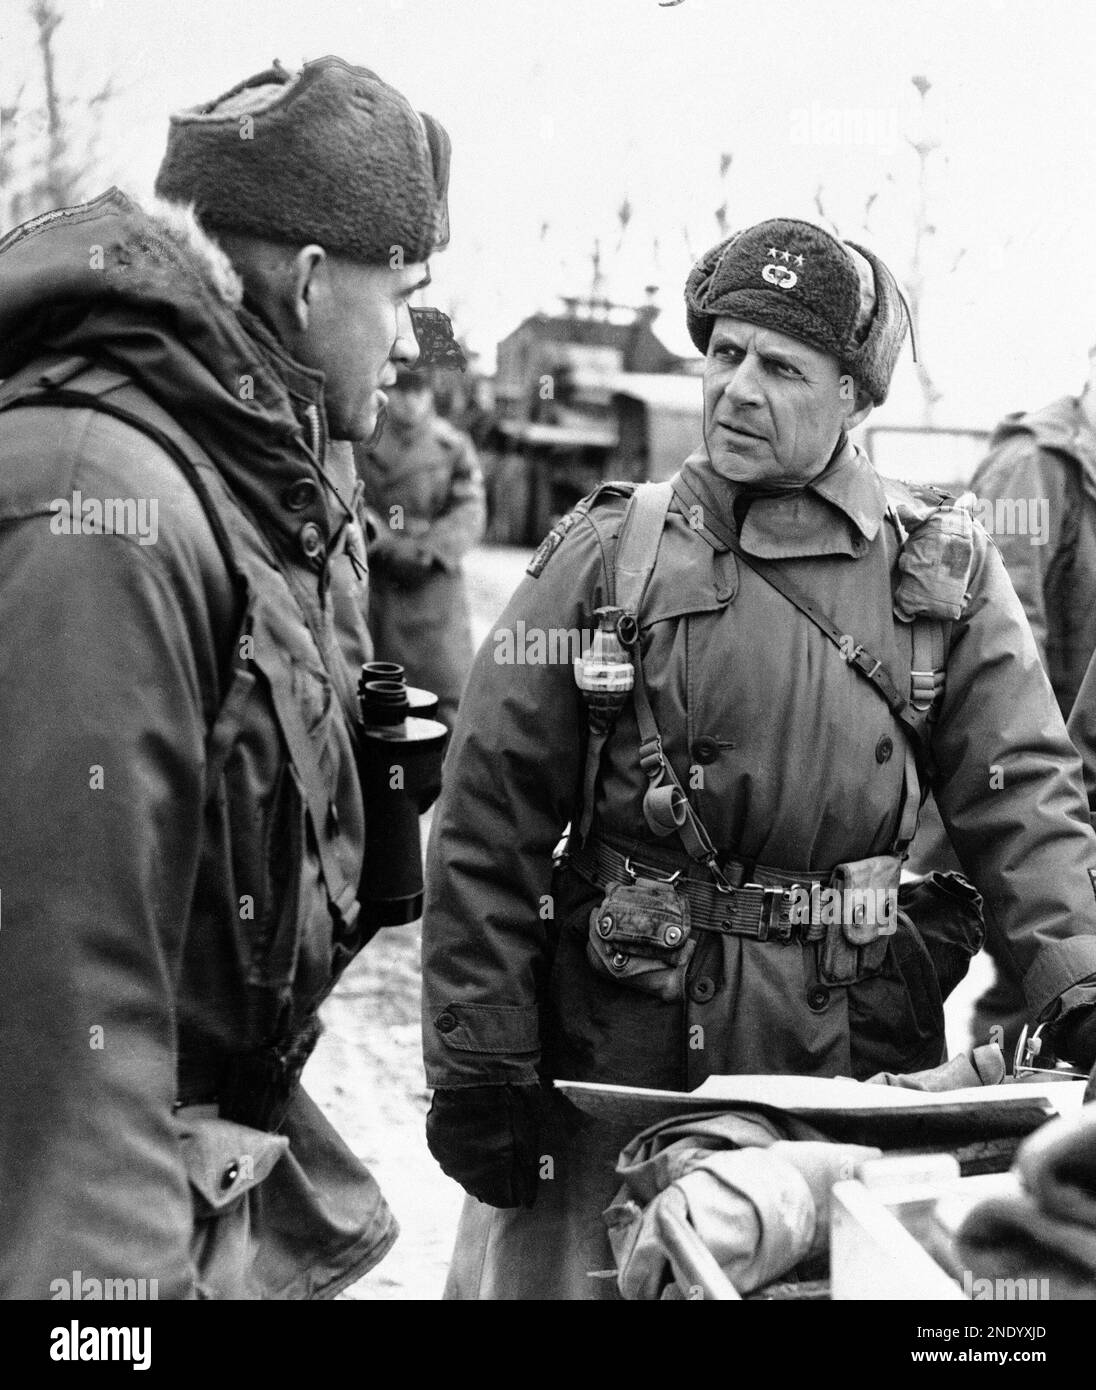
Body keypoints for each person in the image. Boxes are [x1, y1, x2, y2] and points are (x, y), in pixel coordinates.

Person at [420, 217, 1096, 1299]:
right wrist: (480, 1056)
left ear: (853, 399)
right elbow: (485, 823)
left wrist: (1076, 981)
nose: (735, 387)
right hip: (617, 1056)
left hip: (840, 1072)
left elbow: (1024, 800)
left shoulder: (942, 573)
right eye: (722, 352)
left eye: (779, 364)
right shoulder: (608, 554)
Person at [0, 55, 450, 1299]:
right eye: (401, 295)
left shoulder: (231, 475)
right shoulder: (103, 498)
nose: (411, 339)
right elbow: (64, 1002)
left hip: (190, 1180)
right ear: (310, 283)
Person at [355, 369, 485, 730]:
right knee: (379, 700)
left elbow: (469, 512)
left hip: (432, 586)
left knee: (442, 705)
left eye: (419, 392)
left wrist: (424, 550)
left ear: (430, 396)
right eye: (402, 392)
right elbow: (344, 492)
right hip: (379, 581)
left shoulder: (453, 445)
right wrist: (375, 533)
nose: (410, 401)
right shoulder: (362, 438)